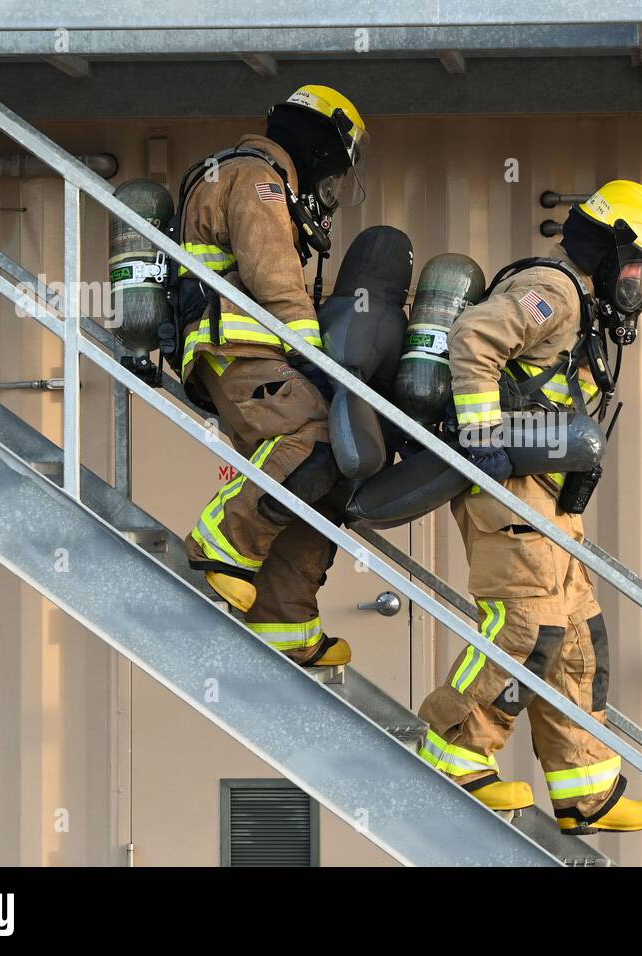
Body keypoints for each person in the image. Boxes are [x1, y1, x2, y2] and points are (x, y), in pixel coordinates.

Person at [417, 181, 642, 834]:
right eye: (637, 262)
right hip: (509, 489)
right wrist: (481, 438)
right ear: (612, 247)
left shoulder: (580, 306)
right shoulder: (555, 289)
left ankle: (586, 790)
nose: (637, 279)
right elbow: (474, 338)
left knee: (577, 636)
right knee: (525, 627)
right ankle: (451, 750)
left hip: (548, 496)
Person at [175, 85, 367, 668]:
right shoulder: (258, 178)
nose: (330, 189)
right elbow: (275, 276)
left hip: (253, 354)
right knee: (316, 443)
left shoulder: (258, 177)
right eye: (334, 168)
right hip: (238, 351)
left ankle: (286, 626)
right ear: (317, 148)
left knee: (325, 480)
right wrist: (316, 358)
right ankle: (222, 541)